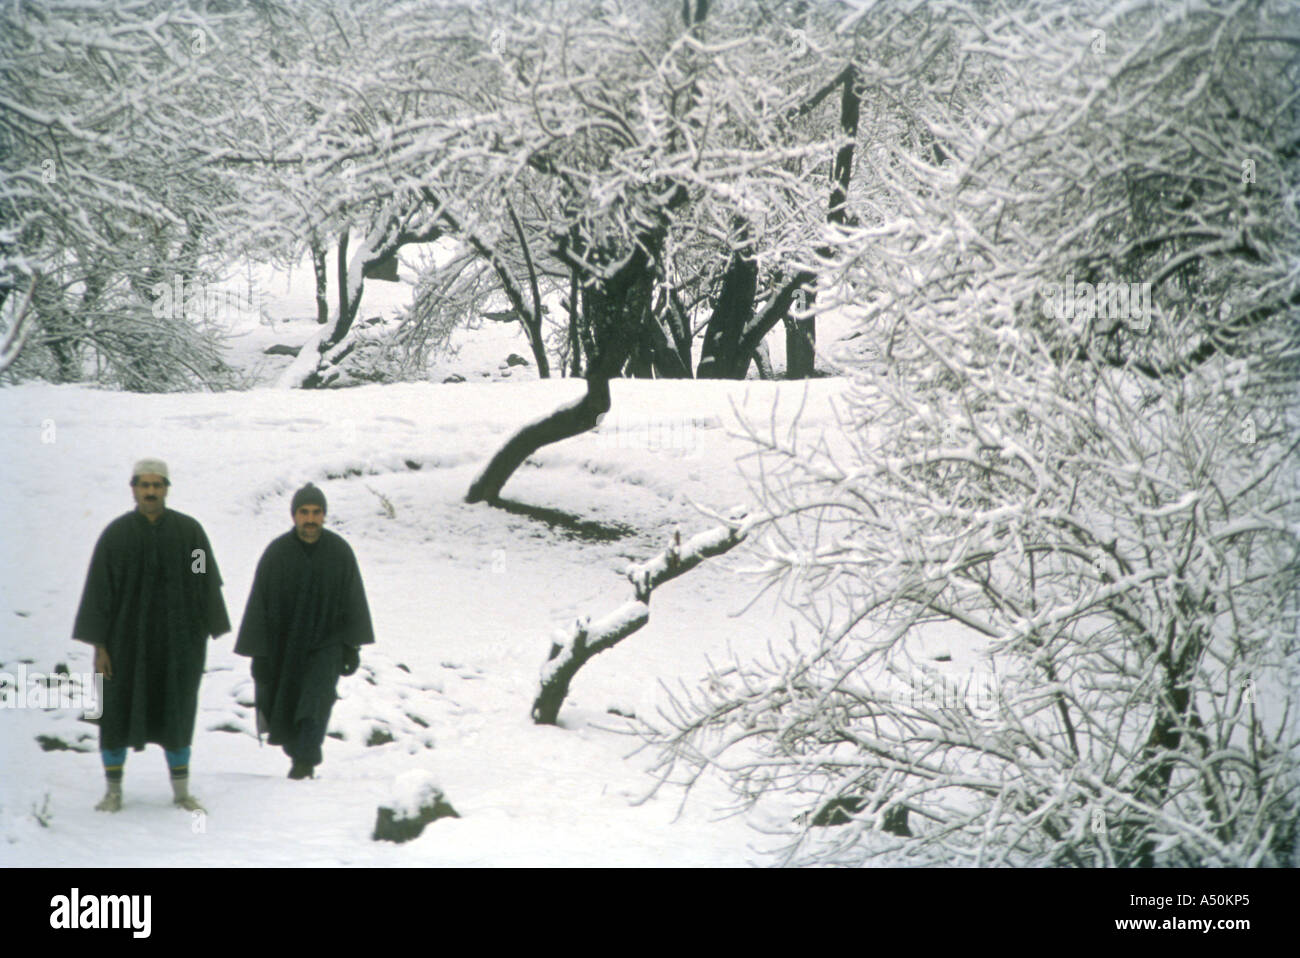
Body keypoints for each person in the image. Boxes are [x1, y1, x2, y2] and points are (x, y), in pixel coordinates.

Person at [73, 458, 231, 812]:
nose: (150, 492)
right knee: (114, 713)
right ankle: (113, 792)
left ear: (166, 489)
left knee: (177, 713)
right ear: (133, 489)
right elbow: (99, 592)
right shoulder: (115, 537)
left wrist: (206, 629)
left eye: (157, 485)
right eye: (144, 485)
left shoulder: (190, 534)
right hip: (123, 647)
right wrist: (100, 647)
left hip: (177, 646)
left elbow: (203, 578)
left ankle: (182, 792)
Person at [235, 483, 374, 779]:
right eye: (304, 512)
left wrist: (352, 647)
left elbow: (353, 599)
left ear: (324, 515)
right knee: (287, 705)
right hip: (285, 646)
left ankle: (305, 763)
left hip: (327, 644)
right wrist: (259, 654)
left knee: (316, 702)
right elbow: (260, 602)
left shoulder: (339, 552)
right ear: (294, 515)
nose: (310, 519)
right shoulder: (277, 553)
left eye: (316, 512)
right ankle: (298, 755)